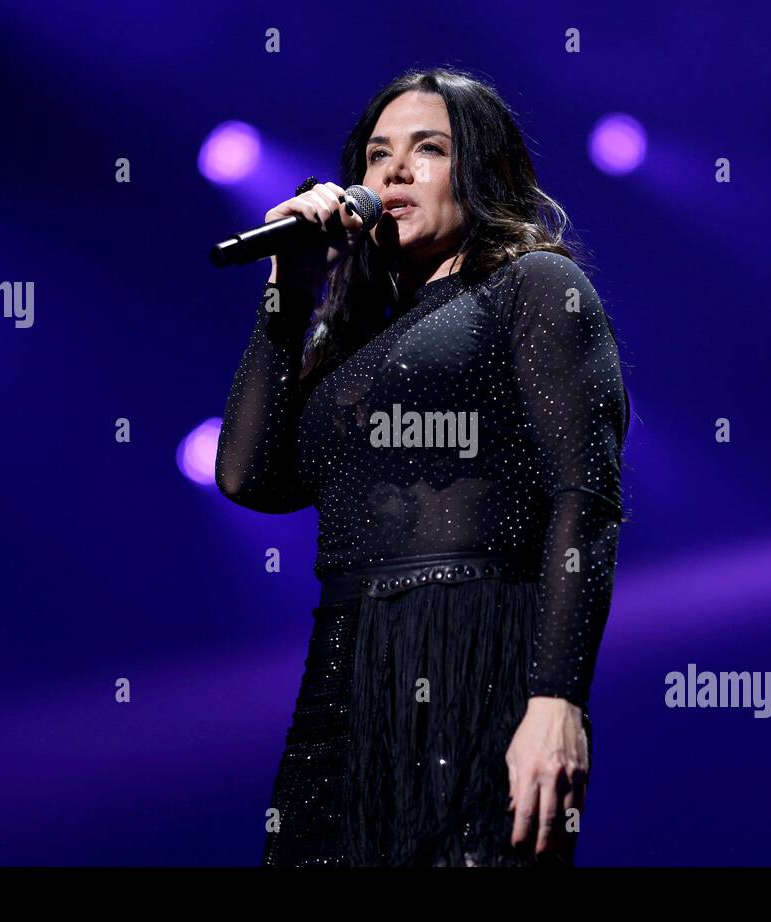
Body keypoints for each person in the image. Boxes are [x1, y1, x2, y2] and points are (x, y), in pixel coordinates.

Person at [215, 67, 632, 867]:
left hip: (476, 655)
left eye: (428, 150)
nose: (394, 172)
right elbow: (247, 477)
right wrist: (290, 293)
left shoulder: (533, 285)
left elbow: (586, 499)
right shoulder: (350, 344)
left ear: (481, 173)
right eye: (376, 156)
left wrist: (557, 698)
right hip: (343, 672)